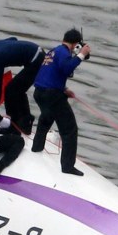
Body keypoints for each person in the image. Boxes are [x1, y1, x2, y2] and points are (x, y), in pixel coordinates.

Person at [31, 28, 91, 176]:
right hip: (52, 95)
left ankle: (36, 147)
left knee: (47, 117)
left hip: (40, 92)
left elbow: (50, 73)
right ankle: (67, 166)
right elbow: (66, 68)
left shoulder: (53, 51)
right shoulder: (64, 52)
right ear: (76, 44)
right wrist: (81, 55)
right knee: (69, 129)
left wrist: (63, 89)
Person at [0, 37, 45, 135]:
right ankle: (26, 120)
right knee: (16, 90)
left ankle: (13, 126)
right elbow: (14, 39)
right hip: (38, 53)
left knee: (10, 90)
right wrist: (16, 52)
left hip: (37, 60)